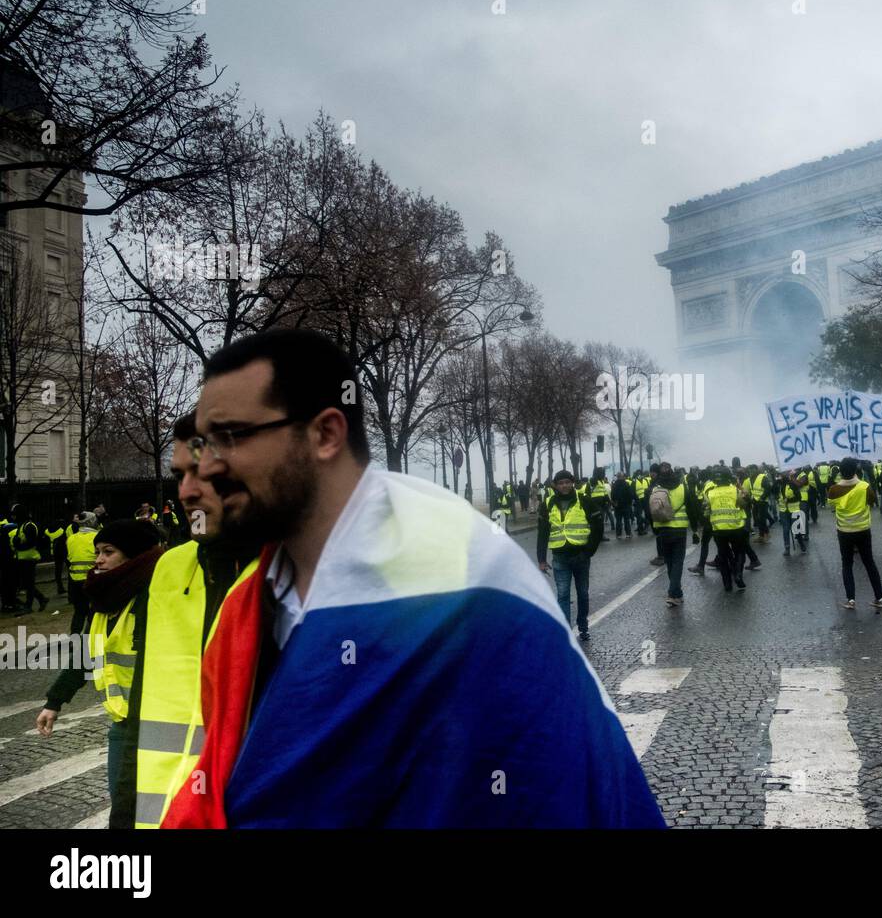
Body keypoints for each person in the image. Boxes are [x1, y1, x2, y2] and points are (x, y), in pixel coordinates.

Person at [165, 328, 662, 827]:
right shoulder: (245, 604)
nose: (205, 467)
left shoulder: (464, 578)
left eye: (229, 437)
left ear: (325, 434)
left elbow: (548, 773)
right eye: (203, 444)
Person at [134, 412, 261, 829]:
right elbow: (143, 707)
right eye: (180, 475)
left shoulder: (296, 574)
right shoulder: (170, 568)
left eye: (203, 474)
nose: (186, 492)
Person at [37, 519, 165, 828]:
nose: (98, 560)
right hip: (123, 725)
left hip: (162, 725)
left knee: (160, 811)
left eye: (108, 552)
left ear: (132, 555)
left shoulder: (156, 596)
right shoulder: (104, 599)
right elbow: (84, 654)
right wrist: (54, 701)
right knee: (124, 811)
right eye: (98, 552)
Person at [537, 469, 603, 641]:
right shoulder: (548, 503)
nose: (564, 485)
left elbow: (598, 527)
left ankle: (583, 626)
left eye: (567, 482)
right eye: (560, 483)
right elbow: (542, 533)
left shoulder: (585, 501)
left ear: (572, 483)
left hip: (581, 556)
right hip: (560, 557)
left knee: (583, 594)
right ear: (555, 485)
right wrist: (541, 559)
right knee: (563, 595)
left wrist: (588, 552)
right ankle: (566, 631)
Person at [826, 458, 882, 611]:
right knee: (869, 563)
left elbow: (831, 504)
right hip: (863, 530)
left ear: (840, 471)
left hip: (844, 531)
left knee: (847, 565)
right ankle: (880, 597)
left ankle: (851, 600)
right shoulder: (864, 487)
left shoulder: (834, 489)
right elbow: (872, 502)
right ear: (855, 470)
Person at [652, 462, 695, 605]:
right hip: (679, 530)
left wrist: (654, 528)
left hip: (663, 529)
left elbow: (650, 509)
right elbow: (691, 508)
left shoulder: (656, 488)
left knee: (670, 562)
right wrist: (695, 529)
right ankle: (672, 593)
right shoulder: (682, 487)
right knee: (677, 562)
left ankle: (677, 593)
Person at [702, 469, 749, 592]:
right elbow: (744, 504)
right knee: (739, 552)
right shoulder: (735, 490)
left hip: (718, 529)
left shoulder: (710, 493)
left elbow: (706, 512)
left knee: (722, 556)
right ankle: (738, 574)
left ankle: (727, 584)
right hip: (736, 527)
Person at [65, 512, 100, 634]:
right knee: (95, 610)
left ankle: (74, 638)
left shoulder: (71, 538)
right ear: (91, 522)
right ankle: (88, 637)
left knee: (79, 611)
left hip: (75, 580)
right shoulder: (97, 537)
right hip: (93, 579)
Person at [8, 504, 47, 612]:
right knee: (27, 583)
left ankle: (29, 605)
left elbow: (31, 543)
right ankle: (41, 599)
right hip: (24, 558)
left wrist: (18, 545)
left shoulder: (29, 526)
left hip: (29, 558)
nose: (13, 517)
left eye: (15, 515)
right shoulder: (23, 525)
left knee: (28, 583)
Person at [777, 469, 807, 556]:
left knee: (796, 529)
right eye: (780, 475)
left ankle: (801, 544)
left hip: (794, 509)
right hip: (783, 510)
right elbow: (775, 493)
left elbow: (799, 497)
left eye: (782, 475)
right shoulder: (779, 485)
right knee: (786, 529)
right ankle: (787, 548)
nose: (781, 476)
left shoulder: (792, 484)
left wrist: (789, 499)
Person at [44, 514, 69, 596]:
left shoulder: (48, 530)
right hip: (64, 550)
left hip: (55, 552)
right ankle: (70, 587)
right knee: (70, 568)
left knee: (58, 570)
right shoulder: (64, 527)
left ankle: (60, 587)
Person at [610, 471, 634, 540]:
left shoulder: (614, 485)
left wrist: (614, 503)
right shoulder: (626, 484)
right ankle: (628, 534)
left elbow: (612, 495)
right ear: (622, 477)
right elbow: (630, 494)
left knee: (618, 521)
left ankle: (618, 534)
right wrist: (629, 503)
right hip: (626, 505)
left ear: (617, 477)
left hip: (617, 506)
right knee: (627, 520)